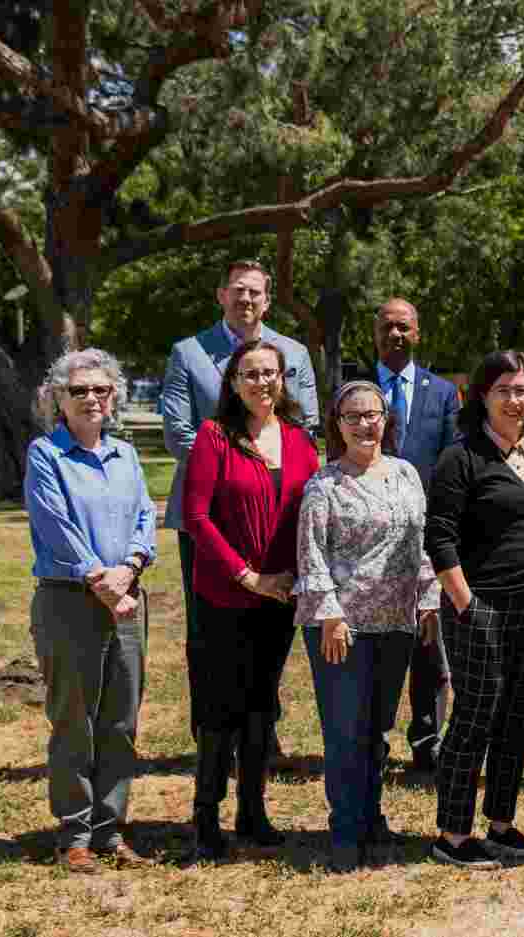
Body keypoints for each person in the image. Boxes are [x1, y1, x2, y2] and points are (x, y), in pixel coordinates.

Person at [162, 260, 317, 744]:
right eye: (237, 291)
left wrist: (265, 475)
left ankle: (259, 729)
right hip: (207, 513)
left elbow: (305, 423)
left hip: (274, 510)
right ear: (221, 295)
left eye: (255, 292)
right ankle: (211, 729)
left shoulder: (292, 353)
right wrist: (230, 468)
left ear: (267, 300)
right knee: (208, 631)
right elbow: (178, 430)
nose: (246, 299)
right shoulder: (188, 353)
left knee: (269, 624)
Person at [180, 339, 320, 862]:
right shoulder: (215, 436)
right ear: (233, 384)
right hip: (225, 593)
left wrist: (292, 579)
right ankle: (206, 817)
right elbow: (196, 518)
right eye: (250, 374)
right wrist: (246, 575)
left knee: (262, 706)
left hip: (280, 596)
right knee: (222, 709)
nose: (262, 382)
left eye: (270, 373)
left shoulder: (301, 441)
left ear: (283, 379)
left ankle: (252, 810)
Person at [425, 351, 524, 870]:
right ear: (482, 396)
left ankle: (500, 824)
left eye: (523, 390)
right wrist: (464, 602)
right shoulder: (461, 459)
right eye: (504, 389)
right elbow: (439, 535)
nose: (515, 399)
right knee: (475, 717)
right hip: (478, 608)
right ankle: (453, 834)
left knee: (516, 720)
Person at [296, 380, 442, 872]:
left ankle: (371, 815)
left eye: (373, 414)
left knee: (377, 728)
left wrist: (429, 601)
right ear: (337, 425)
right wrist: (330, 615)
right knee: (344, 730)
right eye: (353, 416)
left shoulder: (406, 475)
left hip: (396, 623)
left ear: (386, 419)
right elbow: (311, 556)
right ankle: (345, 830)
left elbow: (421, 543)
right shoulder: (324, 486)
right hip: (341, 627)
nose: (364, 424)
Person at [25, 349, 157, 874]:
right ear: (57, 398)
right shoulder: (45, 453)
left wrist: (130, 564)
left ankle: (110, 830)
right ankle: (74, 835)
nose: (91, 398)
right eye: (78, 390)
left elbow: (147, 513)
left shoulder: (126, 454)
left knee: (121, 719)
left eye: (101, 389)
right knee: (73, 719)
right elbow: (56, 526)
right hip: (69, 599)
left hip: (128, 594)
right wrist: (100, 579)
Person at [373, 298, 461, 776]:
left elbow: (451, 462)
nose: (396, 334)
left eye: (404, 327)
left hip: (428, 534)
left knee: (429, 642)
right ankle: (376, 738)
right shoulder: (356, 389)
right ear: (375, 333)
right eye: (387, 326)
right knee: (382, 640)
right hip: (370, 537)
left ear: (418, 333)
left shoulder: (443, 393)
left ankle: (426, 741)